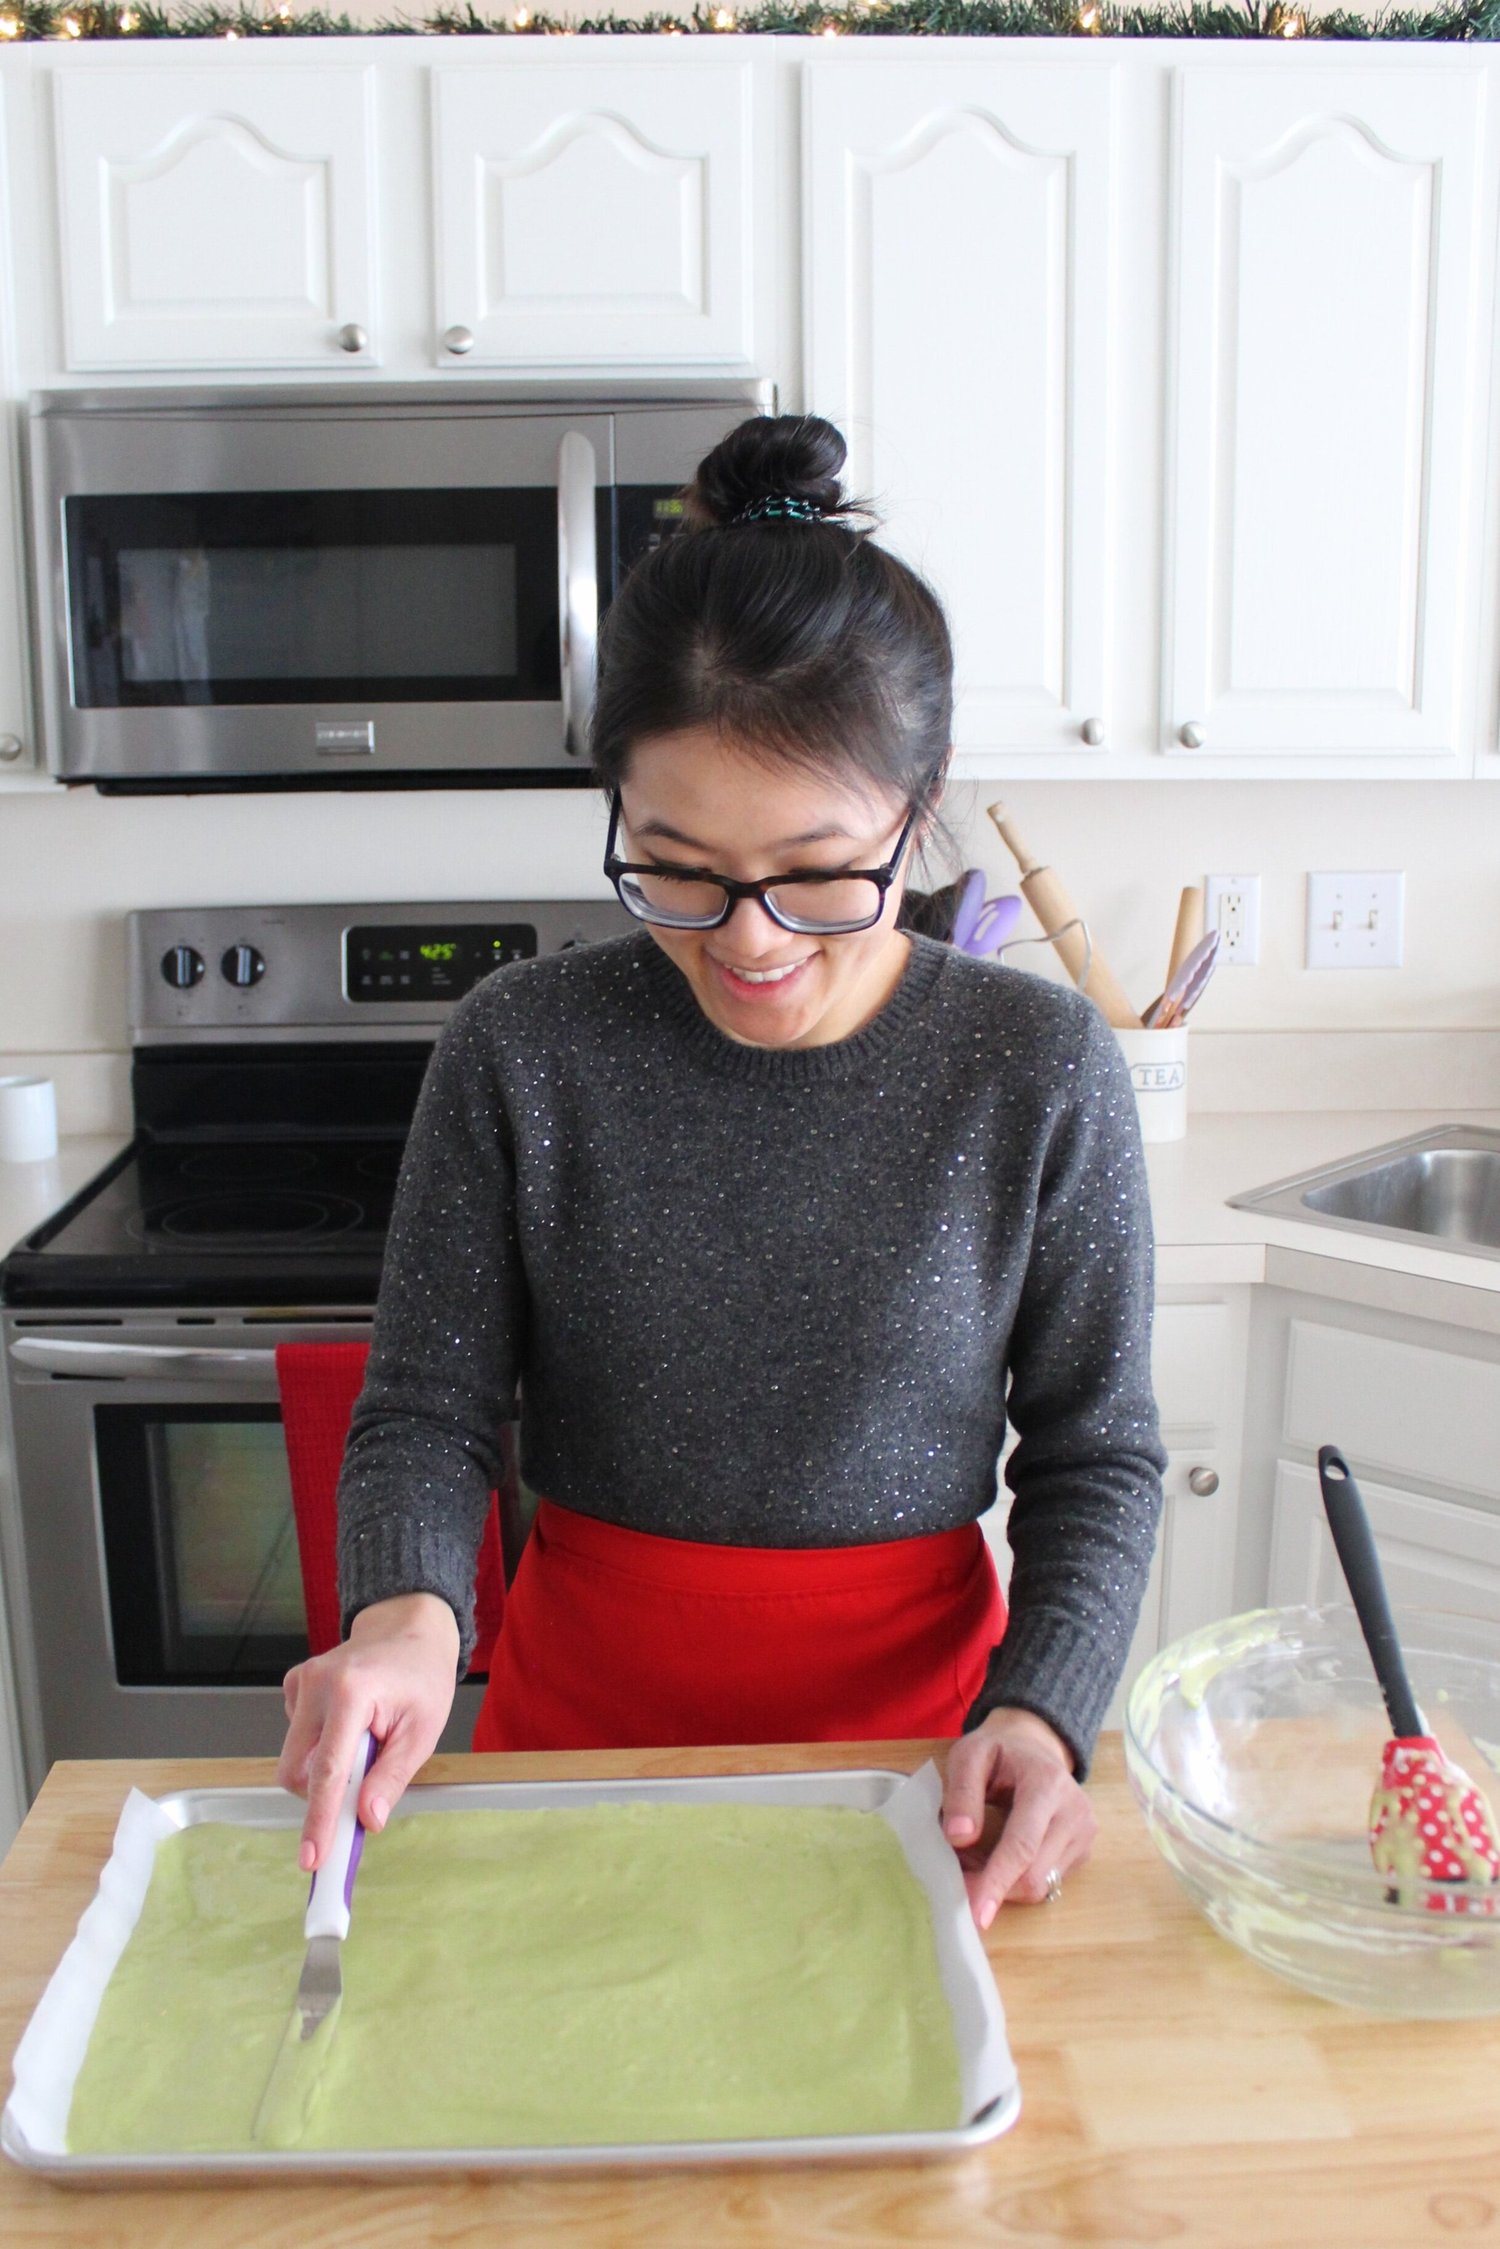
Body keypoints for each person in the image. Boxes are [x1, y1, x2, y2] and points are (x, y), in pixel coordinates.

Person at [278, 413, 1166, 1927]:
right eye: (677, 868)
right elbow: (427, 1408)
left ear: (923, 801)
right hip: (580, 1737)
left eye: (817, 873)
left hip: (924, 1762)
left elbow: (1097, 1453)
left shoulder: (1035, 1065)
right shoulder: (524, 1045)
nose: (749, 940)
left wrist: (1044, 1712)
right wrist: (408, 1614)